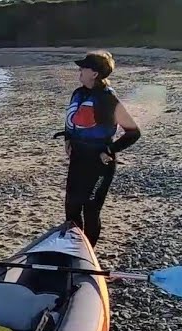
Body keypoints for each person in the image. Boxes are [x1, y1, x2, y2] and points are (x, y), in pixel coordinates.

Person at [56, 50, 141, 246]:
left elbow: (133, 132)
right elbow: (72, 121)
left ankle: (89, 251)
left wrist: (110, 150)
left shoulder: (107, 99)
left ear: (94, 73)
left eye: (83, 67)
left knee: (91, 209)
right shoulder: (78, 93)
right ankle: (74, 248)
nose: (79, 70)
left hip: (100, 162)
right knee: (72, 207)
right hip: (78, 158)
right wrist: (68, 138)